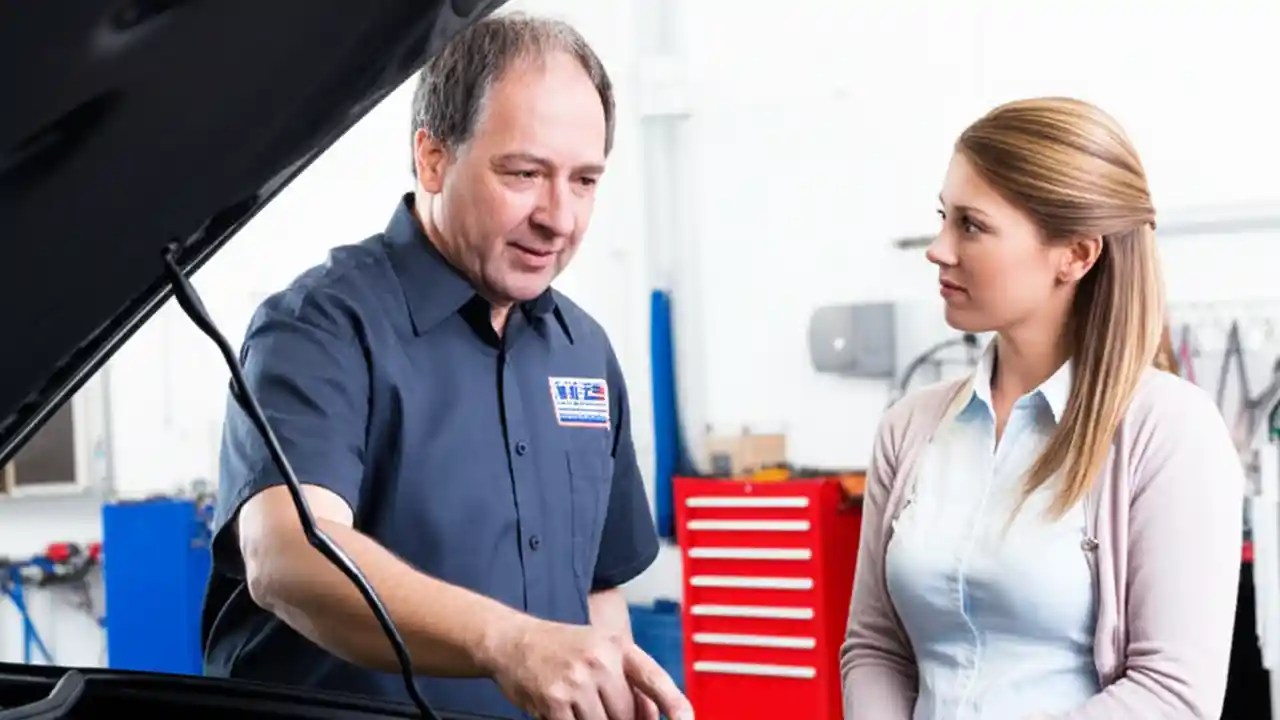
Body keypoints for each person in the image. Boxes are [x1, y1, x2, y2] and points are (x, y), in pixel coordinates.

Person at [200, 13, 693, 720]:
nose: (560, 216)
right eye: (524, 173)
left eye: (584, 181)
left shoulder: (583, 352)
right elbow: (288, 557)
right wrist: (508, 642)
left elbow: (595, 591)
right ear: (432, 157)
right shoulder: (320, 328)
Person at [840, 97, 1244, 719]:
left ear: (1076, 255)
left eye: (971, 225)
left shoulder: (1169, 431)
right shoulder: (909, 428)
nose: (938, 248)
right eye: (943, 217)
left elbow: (1170, 693)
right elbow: (875, 648)